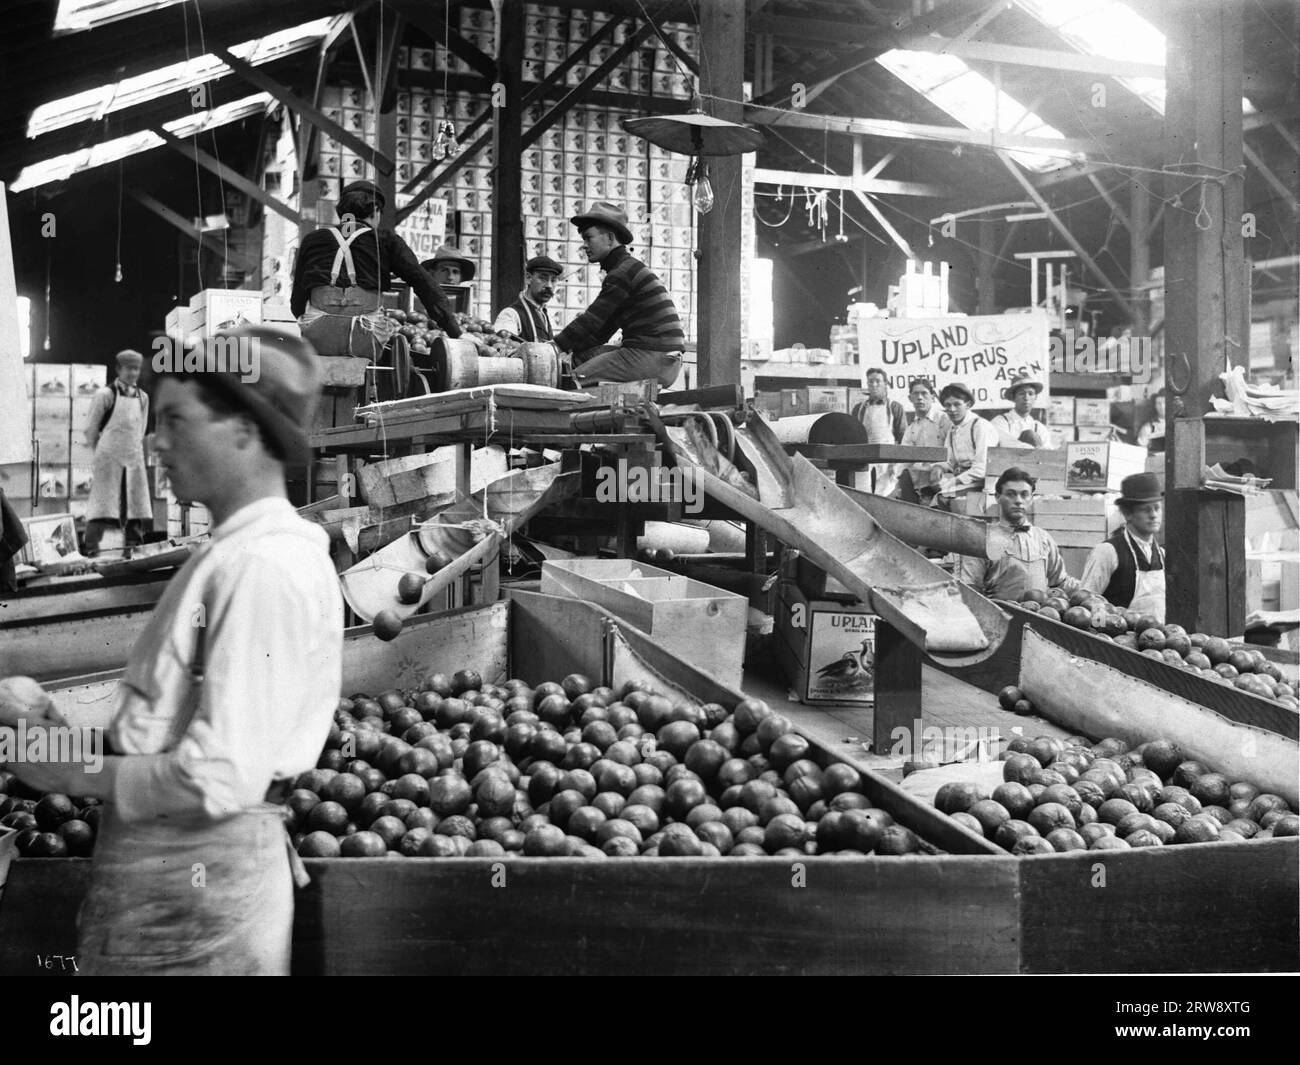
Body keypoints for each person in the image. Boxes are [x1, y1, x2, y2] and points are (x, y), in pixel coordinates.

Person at [4, 326, 344, 974]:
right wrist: (45, 734)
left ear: (245, 429)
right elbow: (160, 730)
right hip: (171, 890)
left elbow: (217, 776)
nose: (155, 443)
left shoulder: (263, 568)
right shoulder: (228, 554)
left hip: (199, 899)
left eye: (176, 421)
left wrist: (72, 773)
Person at [292, 180, 461, 359]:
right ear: (375, 212)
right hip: (366, 339)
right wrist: (455, 331)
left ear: (342, 213)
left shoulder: (312, 240)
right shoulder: (387, 241)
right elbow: (425, 285)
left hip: (318, 339)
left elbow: (297, 303)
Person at [553, 202, 685, 389]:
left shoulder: (622, 273)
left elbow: (591, 320)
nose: (584, 246)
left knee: (570, 380)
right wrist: (574, 353)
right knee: (579, 360)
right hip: (663, 359)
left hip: (652, 356)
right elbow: (603, 330)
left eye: (588, 238)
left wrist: (554, 346)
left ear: (609, 238)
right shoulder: (626, 268)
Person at [955, 467, 1082, 600]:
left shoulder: (1043, 538)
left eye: (1024, 494)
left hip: (1041, 618)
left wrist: (1092, 593)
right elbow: (970, 590)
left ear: (1031, 499)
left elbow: (1061, 582)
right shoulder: (982, 539)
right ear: (997, 497)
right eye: (1011, 494)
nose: (1018, 500)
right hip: (999, 618)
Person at [82, 349, 152, 557]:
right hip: (109, 457)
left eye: (137, 369)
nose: (133, 373)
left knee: (136, 504)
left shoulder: (143, 398)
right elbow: (90, 429)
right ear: (119, 369)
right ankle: (91, 548)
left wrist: (133, 447)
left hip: (133, 456)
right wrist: (101, 451)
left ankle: (132, 548)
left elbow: (142, 428)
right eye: (129, 368)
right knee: (103, 504)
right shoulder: (105, 395)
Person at [1079, 471, 1165, 621]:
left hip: (1155, 640)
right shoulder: (1107, 552)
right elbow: (1087, 603)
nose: (1153, 515)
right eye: (1146, 509)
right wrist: (1103, 634)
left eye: (1157, 508)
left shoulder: (1163, 555)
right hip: (1118, 640)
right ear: (1127, 514)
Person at [926, 382, 999, 514]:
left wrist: (954, 481)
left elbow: (982, 469)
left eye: (957, 404)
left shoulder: (980, 426)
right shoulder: (953, 429)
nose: (952, 410)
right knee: (927, 490)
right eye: (947, 405)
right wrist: (939, 467)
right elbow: (950, 461)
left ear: (968, 405)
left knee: (942, 497)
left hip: (985, 483)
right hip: (965, 480)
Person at [891, 377, 949, 503]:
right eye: (915, 394)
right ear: (910, 398)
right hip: (920, 480)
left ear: (933, 397)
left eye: (924, 393)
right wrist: (895, 481)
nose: (920, 398)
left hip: (943, 476)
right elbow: (904, 458)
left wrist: (939, 467)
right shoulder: (912, 428)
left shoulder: (944, 420)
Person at [492, 254, 563, 341]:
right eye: (543, 278)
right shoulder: (510, 315)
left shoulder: (543, 313)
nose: (549, 285)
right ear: (528, 278)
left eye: (553, 280)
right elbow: (501, 348)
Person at [991, 375, 1056, 449]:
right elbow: (1006, 443)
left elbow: (1048, 451)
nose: (1026, 398)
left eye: (1030, 394)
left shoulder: (1039, 427)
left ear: (1035, 398)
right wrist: (1036, 449)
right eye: (1021, 393)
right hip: (1009, 460)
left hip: (1035, 460)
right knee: (1029, 434)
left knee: (1031, 435)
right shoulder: (1000, 422)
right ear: (1013, 397)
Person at [851, 368, 907, 444]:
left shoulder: (895, 407)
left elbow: (903, 436)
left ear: (885, 383)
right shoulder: (858, 408)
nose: (874, 385)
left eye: (878, 381)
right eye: (870, 381)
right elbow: (853, 436)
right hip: (865, 453)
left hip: (888, 453)